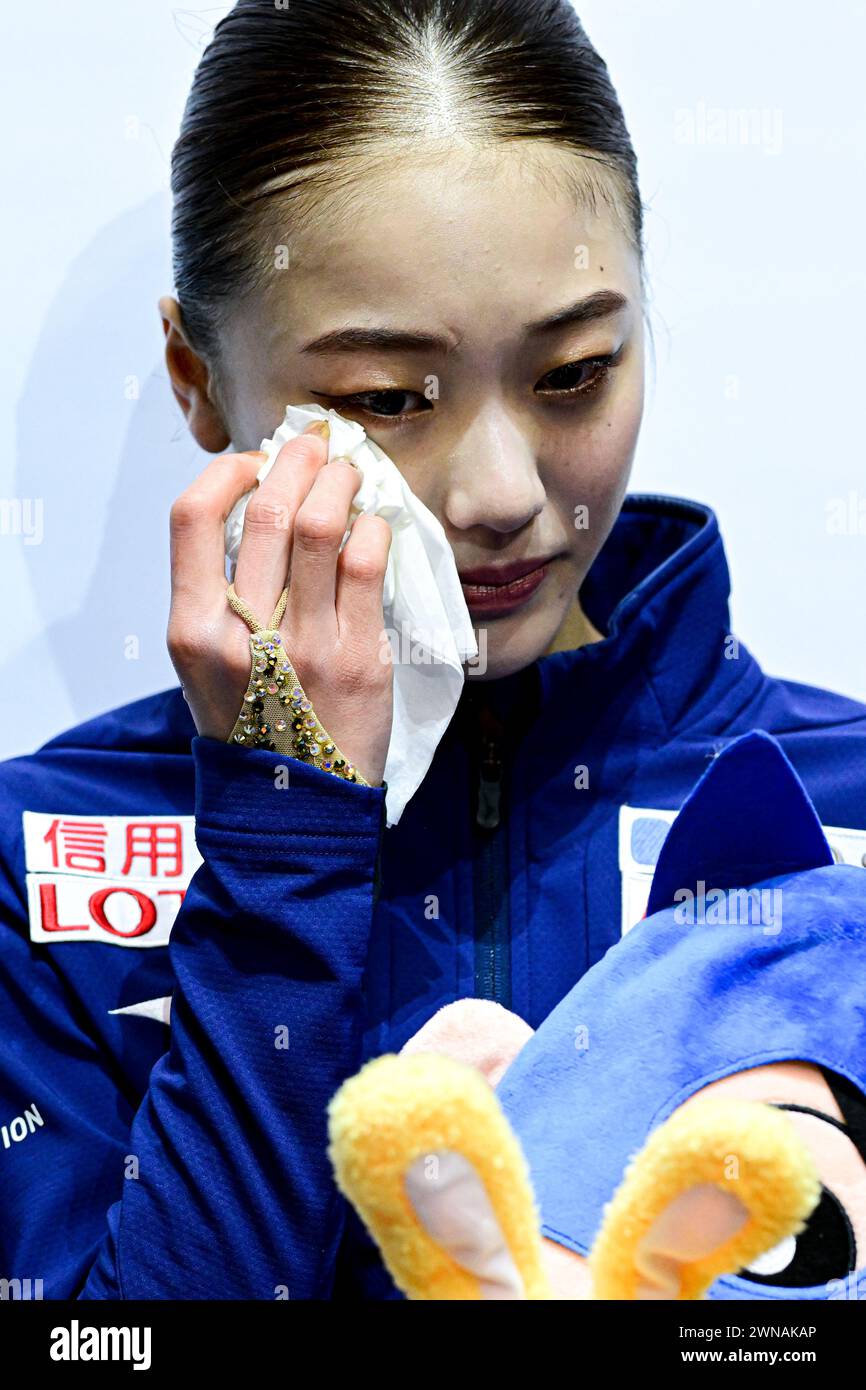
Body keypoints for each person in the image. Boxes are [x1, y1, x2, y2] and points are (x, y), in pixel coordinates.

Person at [1, 0, 865, 1302]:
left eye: (572, 369)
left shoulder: (840, 819)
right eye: (389, 398)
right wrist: (278, 839)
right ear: (194, 378)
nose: (502, 490)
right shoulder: (46, 861)